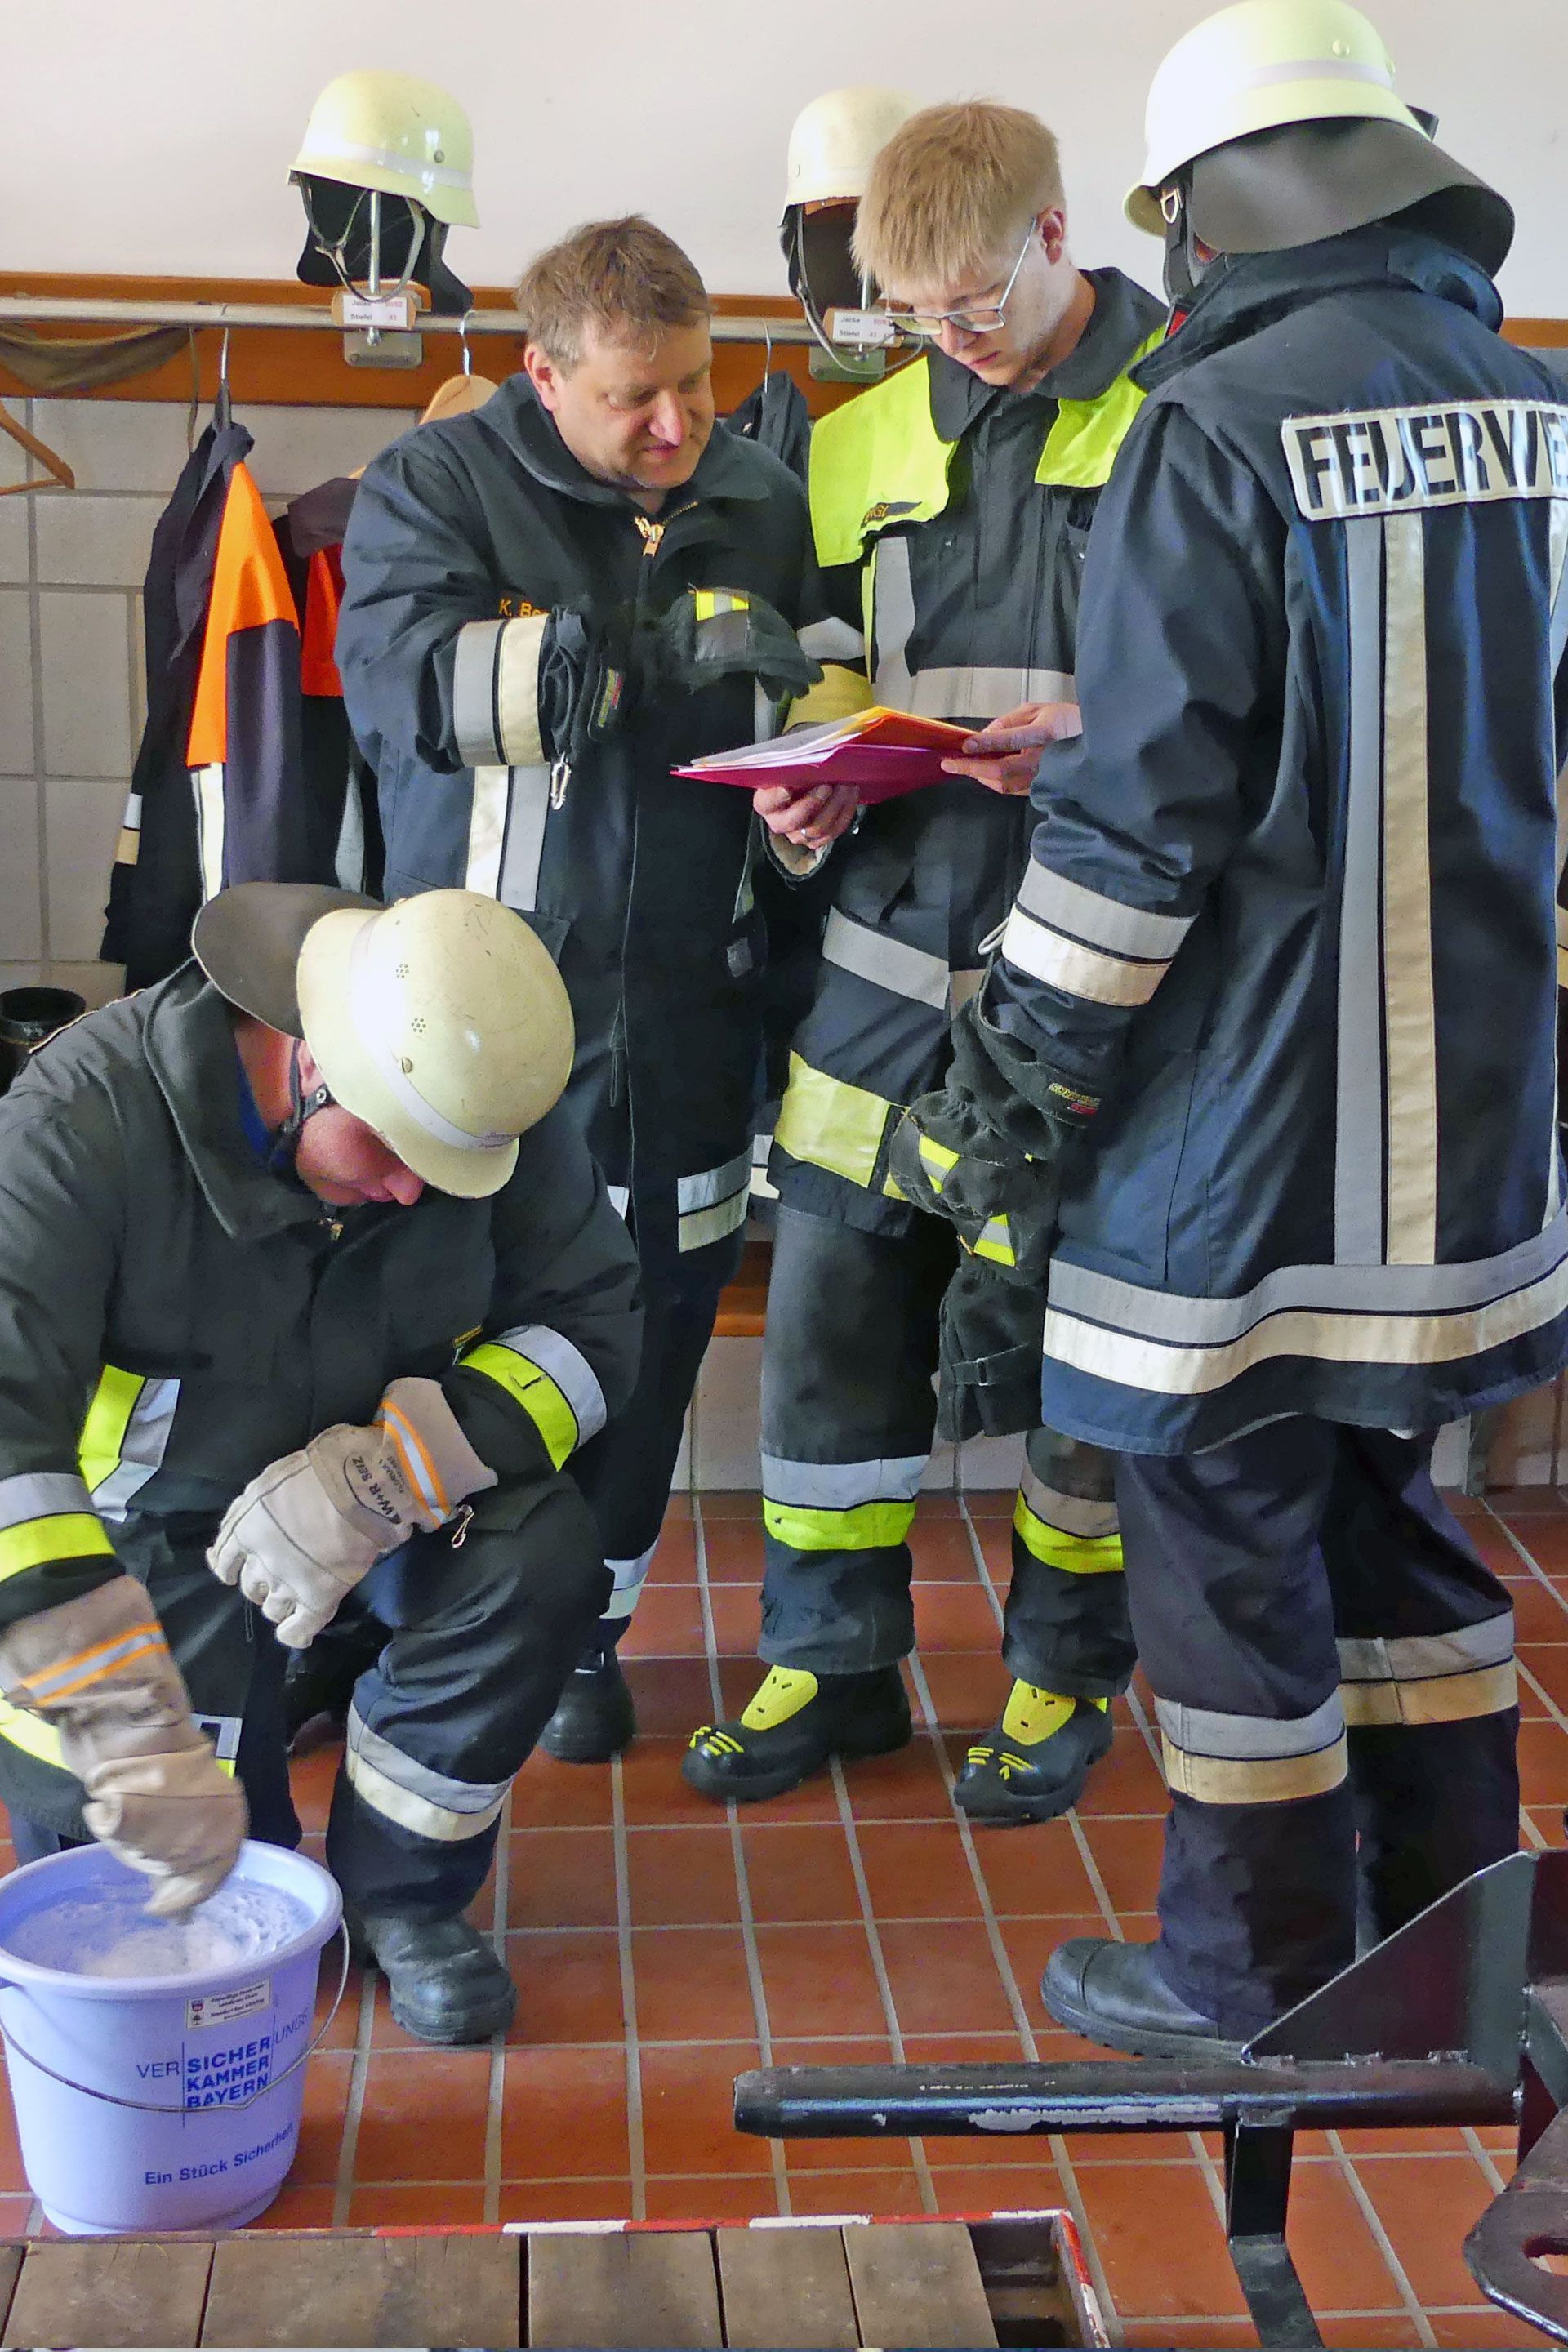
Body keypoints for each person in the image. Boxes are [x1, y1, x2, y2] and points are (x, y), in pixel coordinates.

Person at [893, 0, 1568, 2049]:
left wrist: (1017, 1065)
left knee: (1222, 1538)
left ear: (1205, 212)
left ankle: (1257, 1979)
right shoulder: (1523, 401)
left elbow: (1146, 834)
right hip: (1471, 1126)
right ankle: (1459, 1953)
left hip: (1243, 1143)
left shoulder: (1216, 416)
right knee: (1399, 1521)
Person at [683, 100, 1162, 1821]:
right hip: (879, 967)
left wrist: (1097, 733)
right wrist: (799, 797)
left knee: (1088, 1350)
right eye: (916, 316)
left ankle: (1057, 1677)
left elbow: (1256, 694)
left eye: (971, 302)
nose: (946, 341)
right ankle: (830, 1659)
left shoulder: (1187, 411)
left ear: (1055, 237)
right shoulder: (851, 435)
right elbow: (816, 664)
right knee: (828, 1320)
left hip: (1100, 991)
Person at [336, 216, 827, 1767]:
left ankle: (588, 1632)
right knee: (452, 1331)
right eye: (637, 397)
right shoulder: (438, 486)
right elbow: (400, 689)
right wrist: (619, 652)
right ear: (543, 373)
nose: (679, 425)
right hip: (478, 1037)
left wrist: (821, 805)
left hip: (692, 1019)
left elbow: (814, 693)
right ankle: (433, 1619)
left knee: (657, 1331)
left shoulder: (760, 495)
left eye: (697, 383)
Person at [0, 881, 641, 2044]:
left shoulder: (473, 1083)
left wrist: (394, 1472)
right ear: (306, 1055)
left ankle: (403, 1900)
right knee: (182, 1900)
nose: (414, 1191)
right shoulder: (76, 1126)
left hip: (384, 1504)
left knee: (535, 1559)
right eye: (394, 1152)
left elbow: (593, 1328)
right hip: (141, 1544)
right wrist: (112, 1719)